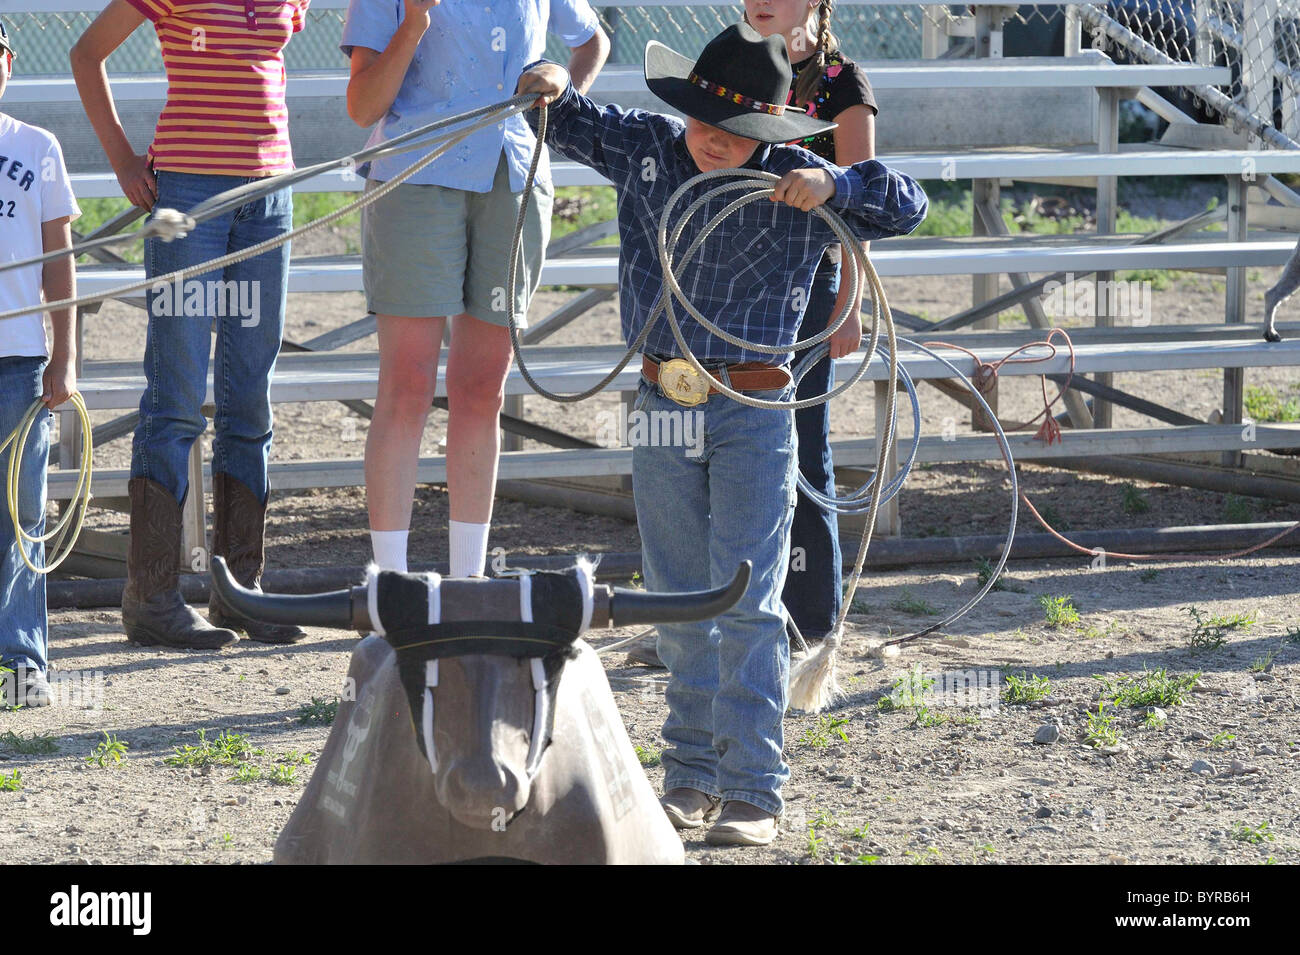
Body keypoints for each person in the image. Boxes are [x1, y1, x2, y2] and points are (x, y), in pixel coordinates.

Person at [515, 23, 926, 845]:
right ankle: (692, 776)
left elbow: (906, 201)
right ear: (687, 108)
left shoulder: (798, 184)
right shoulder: (651, 148)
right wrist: (546, 81)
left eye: (738, 129)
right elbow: (562, 113)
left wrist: (835, 186)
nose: (714, 138)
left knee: (746, 594)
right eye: (705, 118)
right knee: (676, 594)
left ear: (770, 128)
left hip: (754, 408)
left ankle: (753, 787)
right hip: (663, 396)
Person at [340, 0, 609, 579]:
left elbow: (591, 41)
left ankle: (469, 582)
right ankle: (390, 585)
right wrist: (414, 21)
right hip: (415, 178)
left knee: (482, 386)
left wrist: (564, 87)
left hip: (513, 177)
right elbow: (363, 107)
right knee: (407, 384)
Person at [71, 0, 310, 648]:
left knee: (249, 398)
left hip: (270, 199)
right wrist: (123, 159)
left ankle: (241, 591)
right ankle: (151, 596)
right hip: (187, 202)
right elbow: (86, 53)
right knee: (176, 393)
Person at [747, 0, 877, 646]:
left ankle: (812, 621)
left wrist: (849, 302)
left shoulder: (841, 86)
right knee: (740, 445)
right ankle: (746, 608)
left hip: (812, 282)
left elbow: (859, 199)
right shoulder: (737, 72)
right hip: (742, 283)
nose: (759, 0)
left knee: (804, 442)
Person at [0, 18, 80, 707]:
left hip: (20, 361)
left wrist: (65, 357)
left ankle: (23, 662)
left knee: (22, 513)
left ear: (8, 61)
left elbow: (60, 259)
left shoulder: (38, 147)